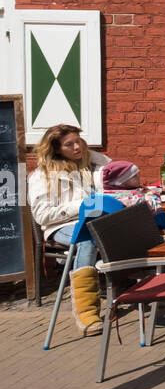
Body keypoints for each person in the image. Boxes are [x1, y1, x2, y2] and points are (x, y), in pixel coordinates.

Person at [27, 124, 112, 335]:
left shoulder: (87, 166)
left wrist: (90, 156)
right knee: (87, 235)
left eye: (78, 141)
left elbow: (111, 169)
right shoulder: (41, 176)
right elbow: (42, 215)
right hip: (60, 227)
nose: (77, 147)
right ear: (56, 149)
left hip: (95, 221)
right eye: (69, 144)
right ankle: (86, 312)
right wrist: (83, 207)